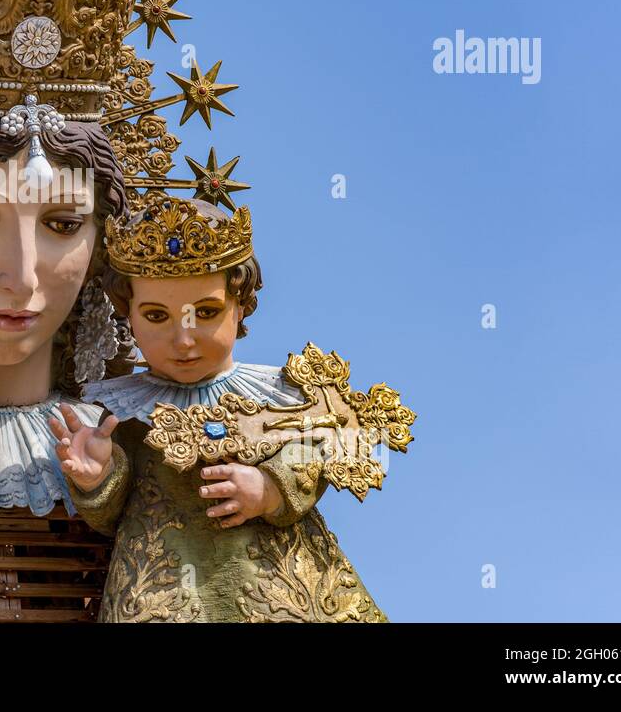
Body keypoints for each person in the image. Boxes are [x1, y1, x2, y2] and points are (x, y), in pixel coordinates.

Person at [50, 193, 394, 622]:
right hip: (163, 590)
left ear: (241, 304)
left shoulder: (284, 393)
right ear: (128, 315)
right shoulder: (118, 408)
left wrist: (270, 490)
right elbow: (113, 507)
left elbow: (317, 450)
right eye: (157, 317)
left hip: (279, 585)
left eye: (206, 312)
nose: (184, 339)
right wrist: (98, 478)